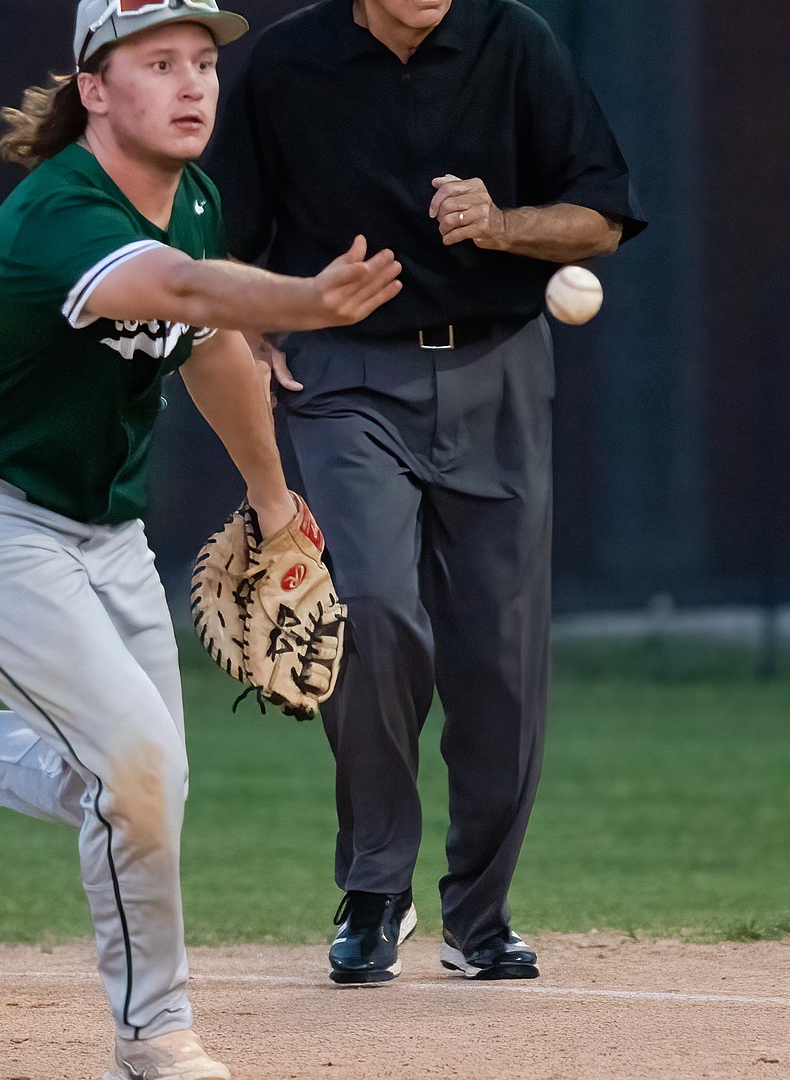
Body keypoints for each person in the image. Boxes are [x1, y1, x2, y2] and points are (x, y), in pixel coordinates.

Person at [0, 2, 401, 1077]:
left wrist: (274, 502)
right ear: (96, 90)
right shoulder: (62, 215)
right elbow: (181, 287)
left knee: (135, 785)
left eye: (204, 61)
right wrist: (304, 298)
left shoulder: (192, 196)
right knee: (139, 769)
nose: (193, 83)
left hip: (103, 527)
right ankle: (156, 1037)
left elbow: (205, 345)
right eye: (157, 62)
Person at [206, 0, 646, 985]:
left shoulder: (515, 42)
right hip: (347, 380)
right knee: (366, 609)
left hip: (498, 371)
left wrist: (502, 223)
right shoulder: (287, 66)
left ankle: (479, 919)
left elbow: (601, 215)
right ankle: (374, 888)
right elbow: (223, 242)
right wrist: (260, 328)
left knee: (499, 650)